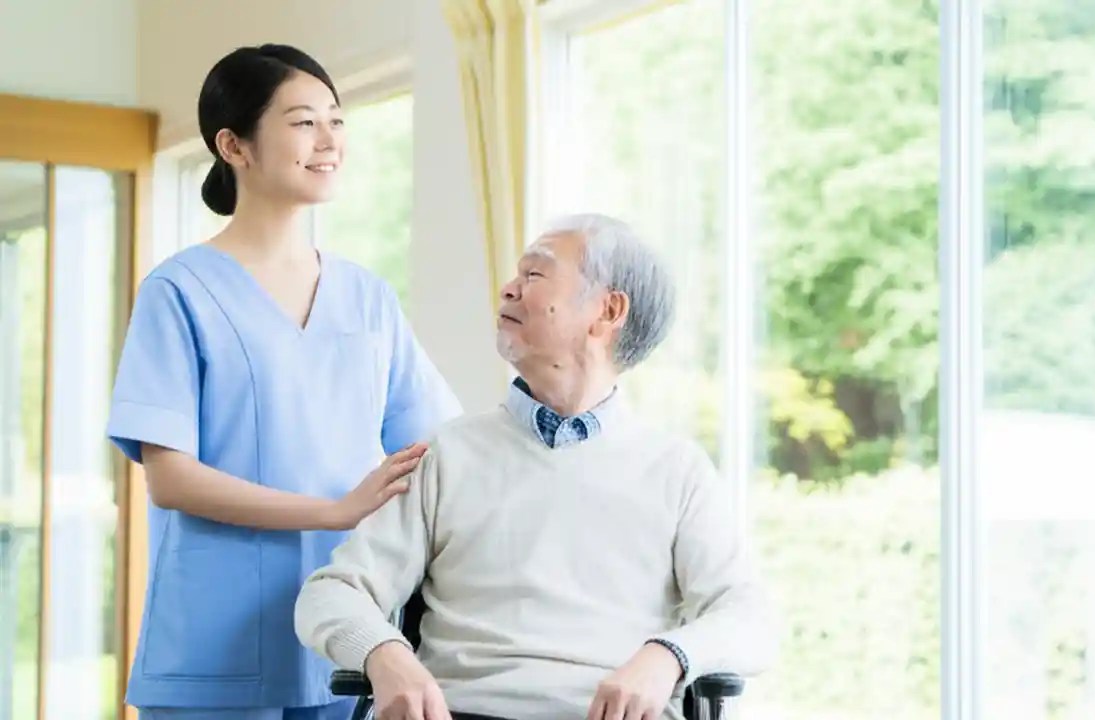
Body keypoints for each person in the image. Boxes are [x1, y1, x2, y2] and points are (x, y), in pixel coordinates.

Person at [295, 214, 775, 720]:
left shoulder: (677, 470)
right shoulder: (445, 454)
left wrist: (669, 656)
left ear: (607, 310)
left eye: (535, 275)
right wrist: (384, 654)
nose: (508, 289)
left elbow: (750, 618)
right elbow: (332, 591)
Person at [107, 44, 462, 720]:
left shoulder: (367, 297)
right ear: (233, 145)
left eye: (337, 119)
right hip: (216, 650)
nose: (329, 140)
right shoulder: (179, 292)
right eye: (304, 122)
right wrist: (333, 510)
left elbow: (440, 447)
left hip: (346, 640)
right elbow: (171, 479)